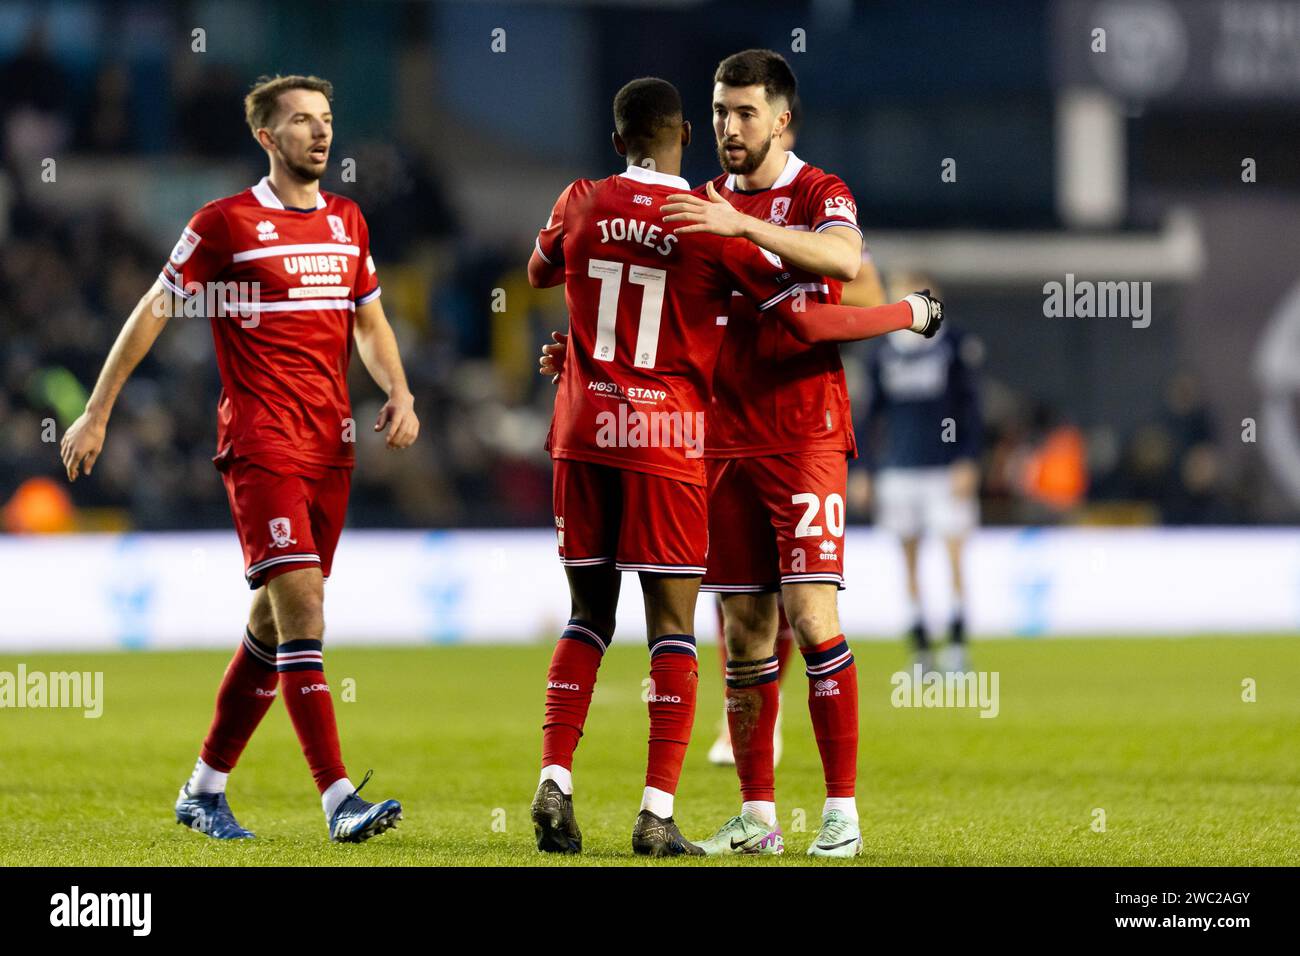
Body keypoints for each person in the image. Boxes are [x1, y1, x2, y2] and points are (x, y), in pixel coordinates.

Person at [528, 76, 941, 857]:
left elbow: (845, 263)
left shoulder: (815, 190)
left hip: (805, 434)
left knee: (812, 618)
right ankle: (758, 815)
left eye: (745, 111)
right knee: (744, 633)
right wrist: (583, 348)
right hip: (709, 440)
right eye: (718, 111)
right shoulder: (697, 206)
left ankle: (843, 815)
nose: (729, 125)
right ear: (693, 126)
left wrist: (896, 309)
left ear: (782, 119)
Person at [59, 74, 419, 843]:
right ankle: (337, 800)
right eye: (301, 122)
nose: (320, 134)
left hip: (332, 448)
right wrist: (96, 410)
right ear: (266, 136)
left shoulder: (347, 220)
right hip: (262, 444)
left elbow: (370, 322)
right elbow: (153, 312)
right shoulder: (225, 223)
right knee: (306, 612)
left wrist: (400, 390)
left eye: (326, 120)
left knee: (270, 623)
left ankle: (203, 790)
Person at [859, 271, 982, 673]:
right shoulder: (882, 349)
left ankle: (958, 642)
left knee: (953, 555)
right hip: (900, 471)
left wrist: (967, 457)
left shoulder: (952, 343)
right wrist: (865, 468)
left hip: (944, 469)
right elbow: (869, 413)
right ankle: (921, 647)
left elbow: (970, 407)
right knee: (908, 560)